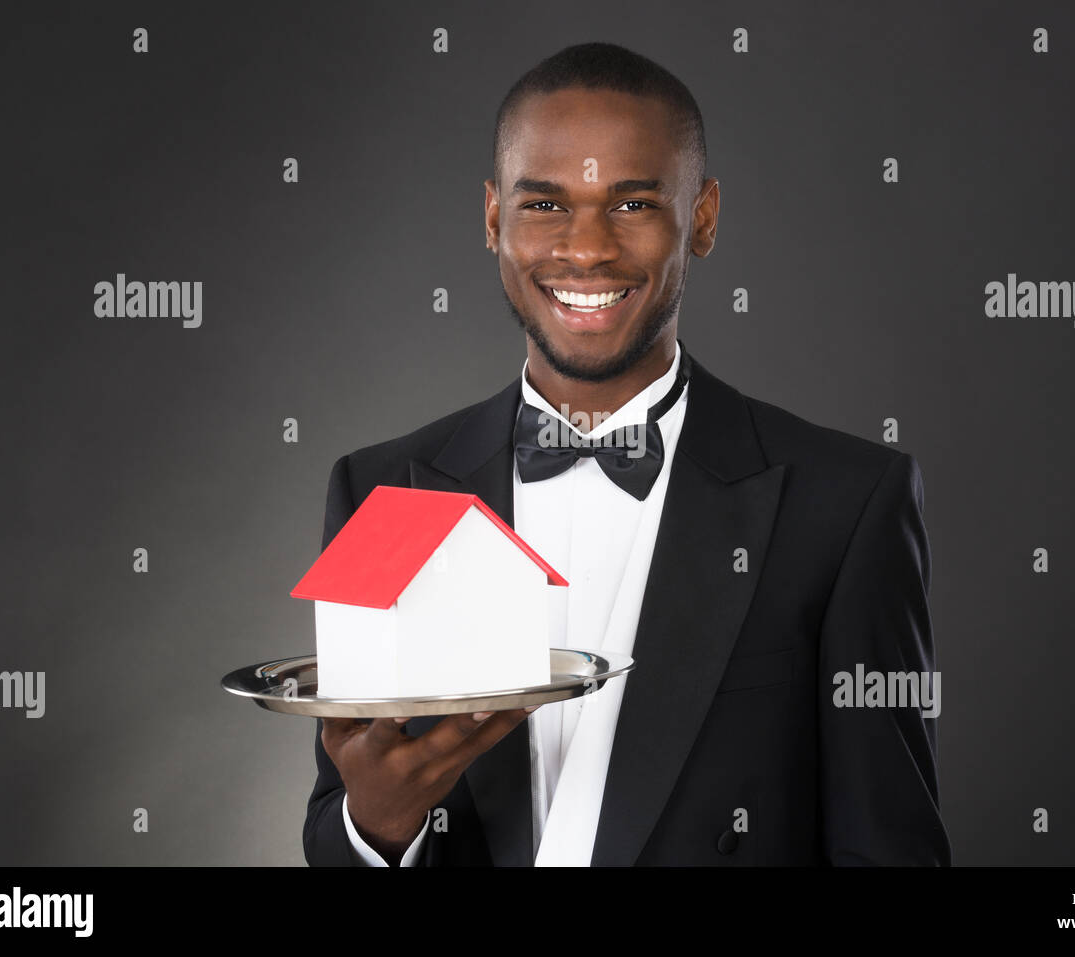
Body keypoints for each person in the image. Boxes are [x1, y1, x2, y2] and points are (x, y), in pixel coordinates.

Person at [303, 41, 951, 866]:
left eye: (634, 204)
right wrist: (379, 826)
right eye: (545, 205)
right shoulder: (383, 491)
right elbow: (333, 835)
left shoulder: (848, 504)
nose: (586, 249)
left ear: (703, 218)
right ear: (493, 217)